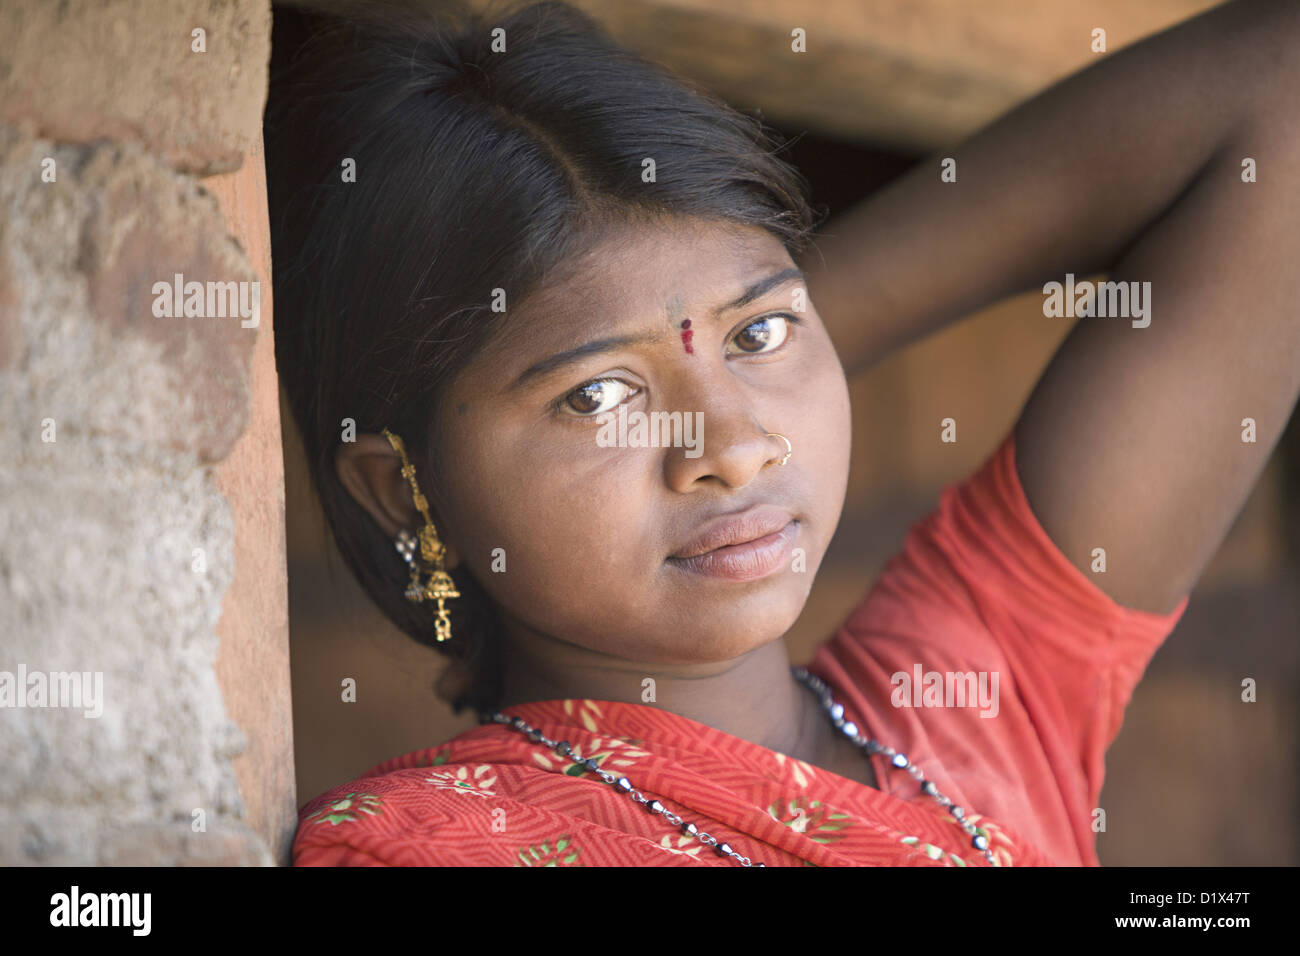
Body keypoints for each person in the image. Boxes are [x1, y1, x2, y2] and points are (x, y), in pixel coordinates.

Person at [266, 0, 1300, 866]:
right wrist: (730, 330)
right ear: (406, 490)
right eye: (593, 396)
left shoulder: (980, 696)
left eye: (762, 330)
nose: (735, 446)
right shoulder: (423, 848)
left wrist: (749, 333)